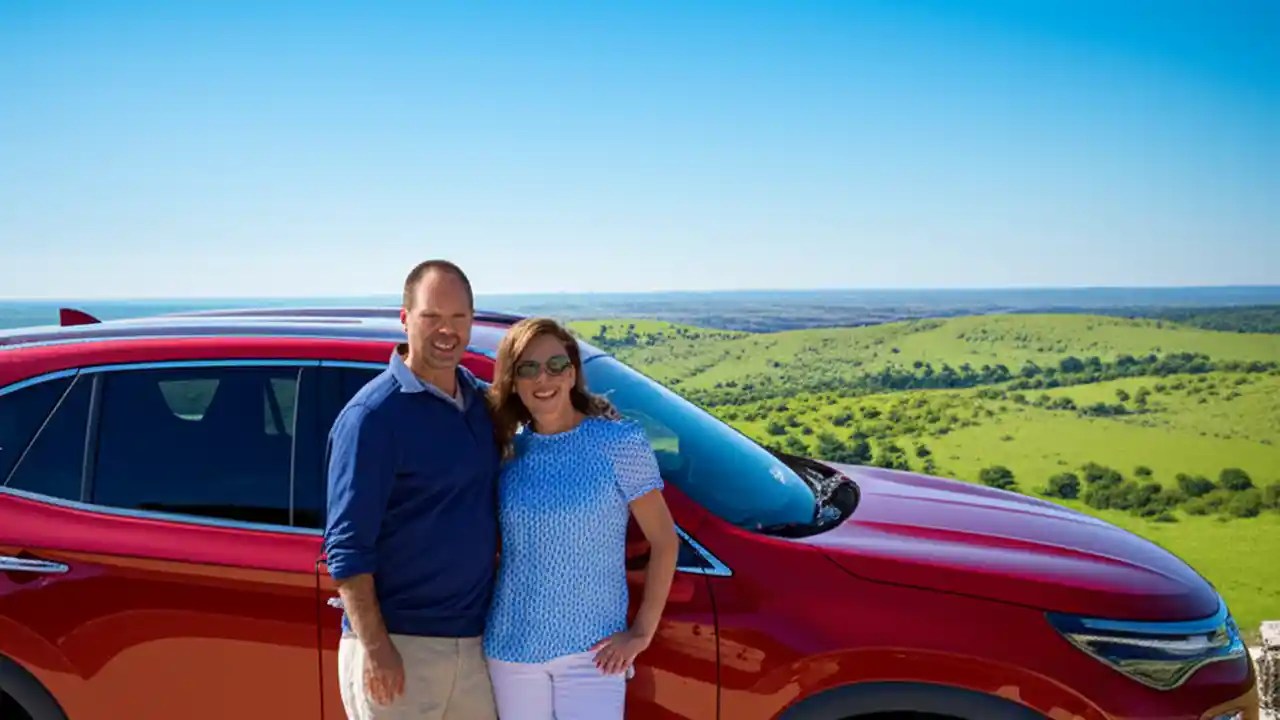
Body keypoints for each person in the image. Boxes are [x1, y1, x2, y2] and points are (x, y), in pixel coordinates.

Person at [323, 259, 499, 720]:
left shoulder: (481, 405)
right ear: (405, 319)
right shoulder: (373, 419)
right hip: (401, 649)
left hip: (476, 644)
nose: (448, 331)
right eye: (432, 317)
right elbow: (345, 550)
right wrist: (377, 650)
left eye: (459, 318)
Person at [482, 317, 679, 720]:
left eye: (556, 365)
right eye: (528, 368)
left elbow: (664, 541)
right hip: (510, 651)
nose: (544, 377)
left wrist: (641, 633)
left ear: (572, 372)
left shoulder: (619, 444)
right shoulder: (508, 454)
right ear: (514, 381)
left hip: (593, 653)